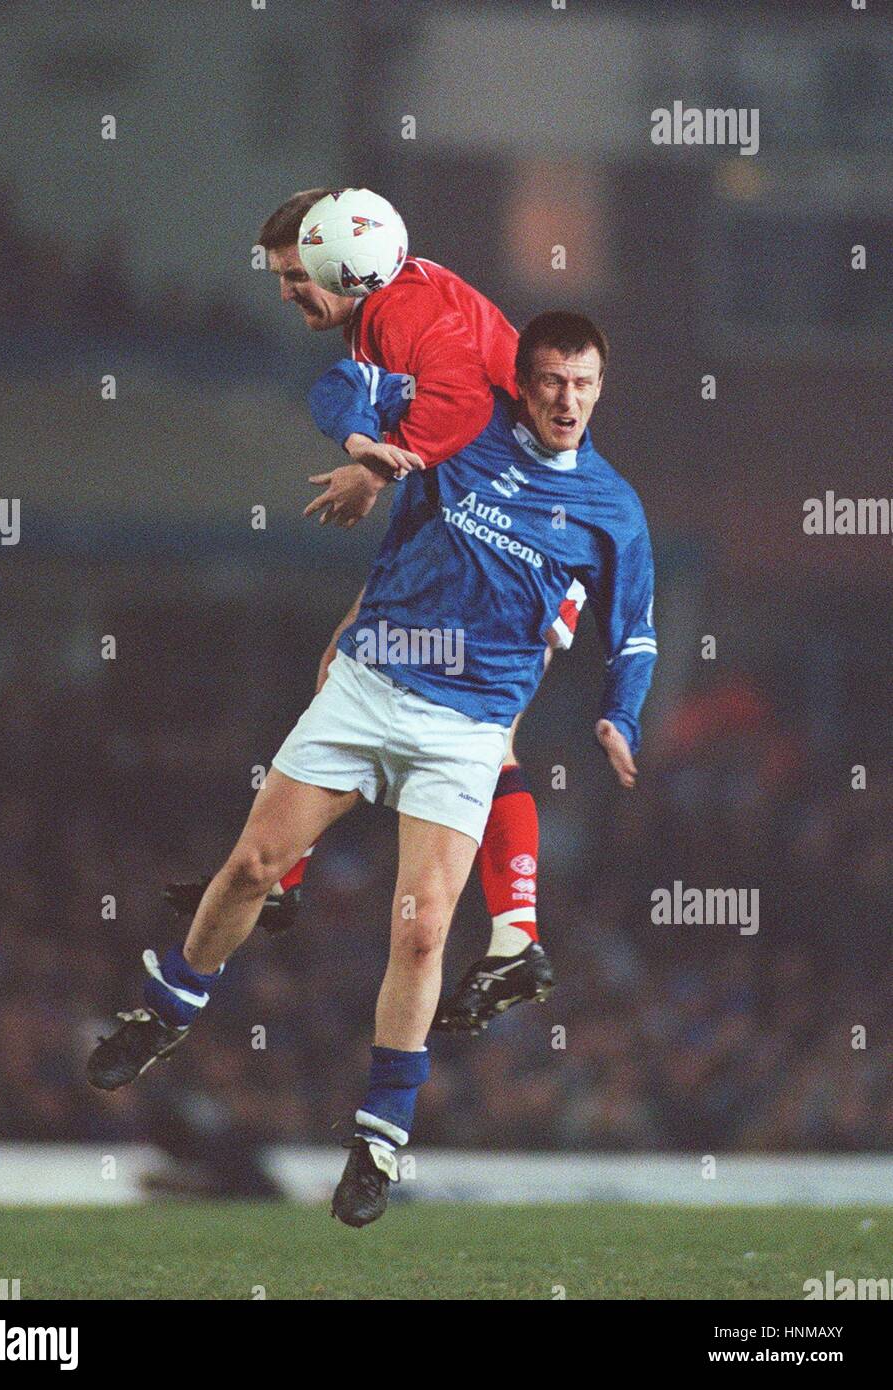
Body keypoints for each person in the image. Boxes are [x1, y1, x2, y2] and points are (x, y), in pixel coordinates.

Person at [88, 310, 657, 1228]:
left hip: (467, 730)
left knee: (425, 931)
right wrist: (362, 444)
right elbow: (340, 379)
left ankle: (379, 1140)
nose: (566, 397)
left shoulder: (611, 507)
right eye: (551, 379)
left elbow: (632, 634)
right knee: (252, 868)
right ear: (524, 379)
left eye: (583, 382)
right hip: (371, 683)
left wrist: (619, 717)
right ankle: (165, 1010)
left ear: (601, 387)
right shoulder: (462, 417)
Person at [166, 188, 585, 1031]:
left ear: (340, 264)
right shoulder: (386, 309)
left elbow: (463, 407)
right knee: (343, 664)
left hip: (527, 546)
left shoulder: (400, 312)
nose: (286, 292)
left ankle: (518, 938)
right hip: (477, 536)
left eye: (294, 275)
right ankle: (283, 884)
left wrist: (377, 469)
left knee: (485, 733)